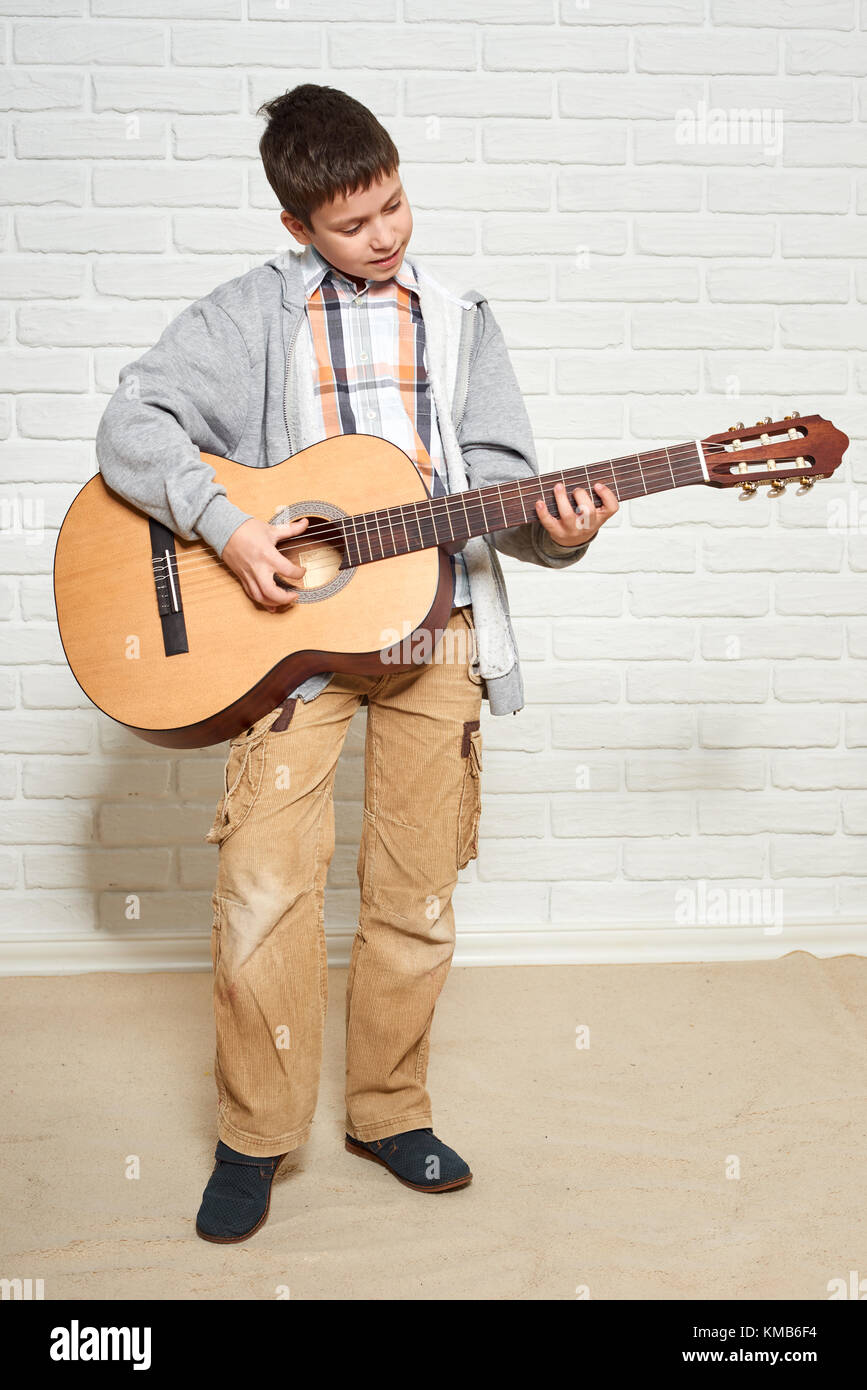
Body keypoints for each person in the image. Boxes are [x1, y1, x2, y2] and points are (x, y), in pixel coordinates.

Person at [94, 83, 618, 1243]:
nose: (384, 235)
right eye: (352, 223)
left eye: (394, 204)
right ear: (298, 230)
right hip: (295, 651)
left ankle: (388, 1111)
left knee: (416, 894)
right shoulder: (249, 316)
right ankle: (254, 1136)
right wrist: (229, 525)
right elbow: (133, 421)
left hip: (438, 630)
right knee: (264, 890)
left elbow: (500, 481)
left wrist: (556, 530)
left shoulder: (462, 315)